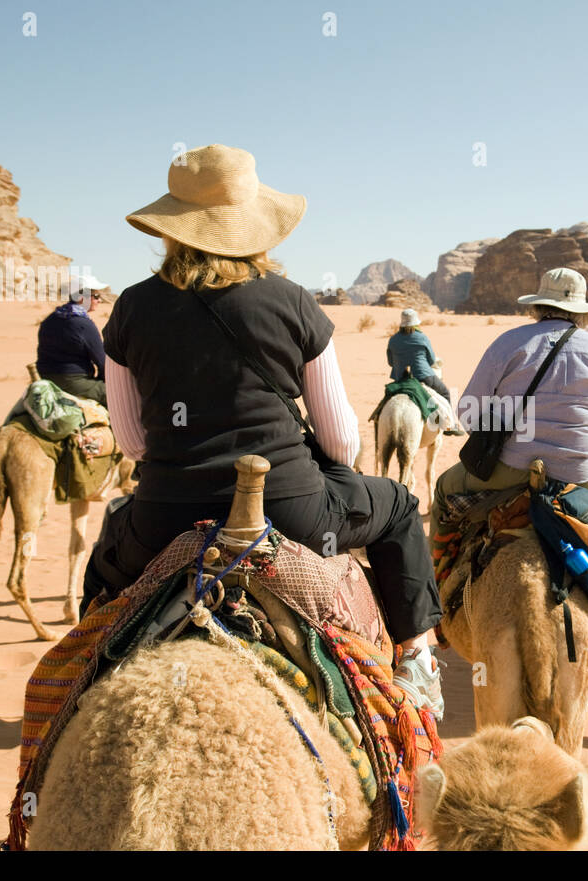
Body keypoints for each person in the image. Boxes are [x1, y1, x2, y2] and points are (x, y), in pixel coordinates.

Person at [82, 144, 444, 718]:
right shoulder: (292, 302)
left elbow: (133, 442)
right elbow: (341, 440)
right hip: (293, 508)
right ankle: (416, 662)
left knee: (104, 562)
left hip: (165, 512)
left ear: (173, 226)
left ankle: (85, 685)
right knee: (398, 506)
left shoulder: (130, 308)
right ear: (254, 225)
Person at [430, 267, 588, 631]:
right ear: (582, 310)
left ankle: (434, 596)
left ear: (538, 305)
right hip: (581, 477)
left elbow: (468, 412)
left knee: (442, 490)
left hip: (507, 470)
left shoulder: (508, 342)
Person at [386, 308, 463, 433]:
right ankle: (450, 426)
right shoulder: (421, 337)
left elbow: (390, 362)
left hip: (400, 378)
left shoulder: (393, 339)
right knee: (445, 393)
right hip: (423, 376)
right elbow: (431, 360)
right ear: (416, 323)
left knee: (386, 401)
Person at [36, 274, 109, 405]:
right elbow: (103, 362)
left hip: (46, 378)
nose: (99, 301)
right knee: (119, 396)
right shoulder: (82, 323)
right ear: (81, 298)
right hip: (73, 382)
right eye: (96, 296)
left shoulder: (51, 319)